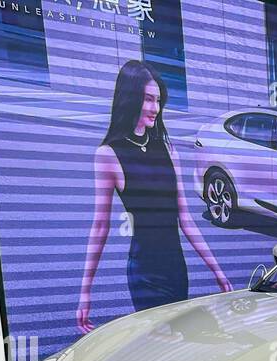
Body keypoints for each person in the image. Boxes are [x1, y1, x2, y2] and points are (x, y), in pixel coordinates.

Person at [77, 60, 230, 332]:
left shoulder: (168, 150)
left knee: (180, 348)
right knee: (158, 349)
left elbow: (185, 219)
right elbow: (100, 226)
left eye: (158, 101)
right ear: (130, 98)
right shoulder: (108, 155)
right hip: (144, 275)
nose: (155, 109)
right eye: (148, 99)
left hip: (177, 269)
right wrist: (85, 293)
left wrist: (218, 272)